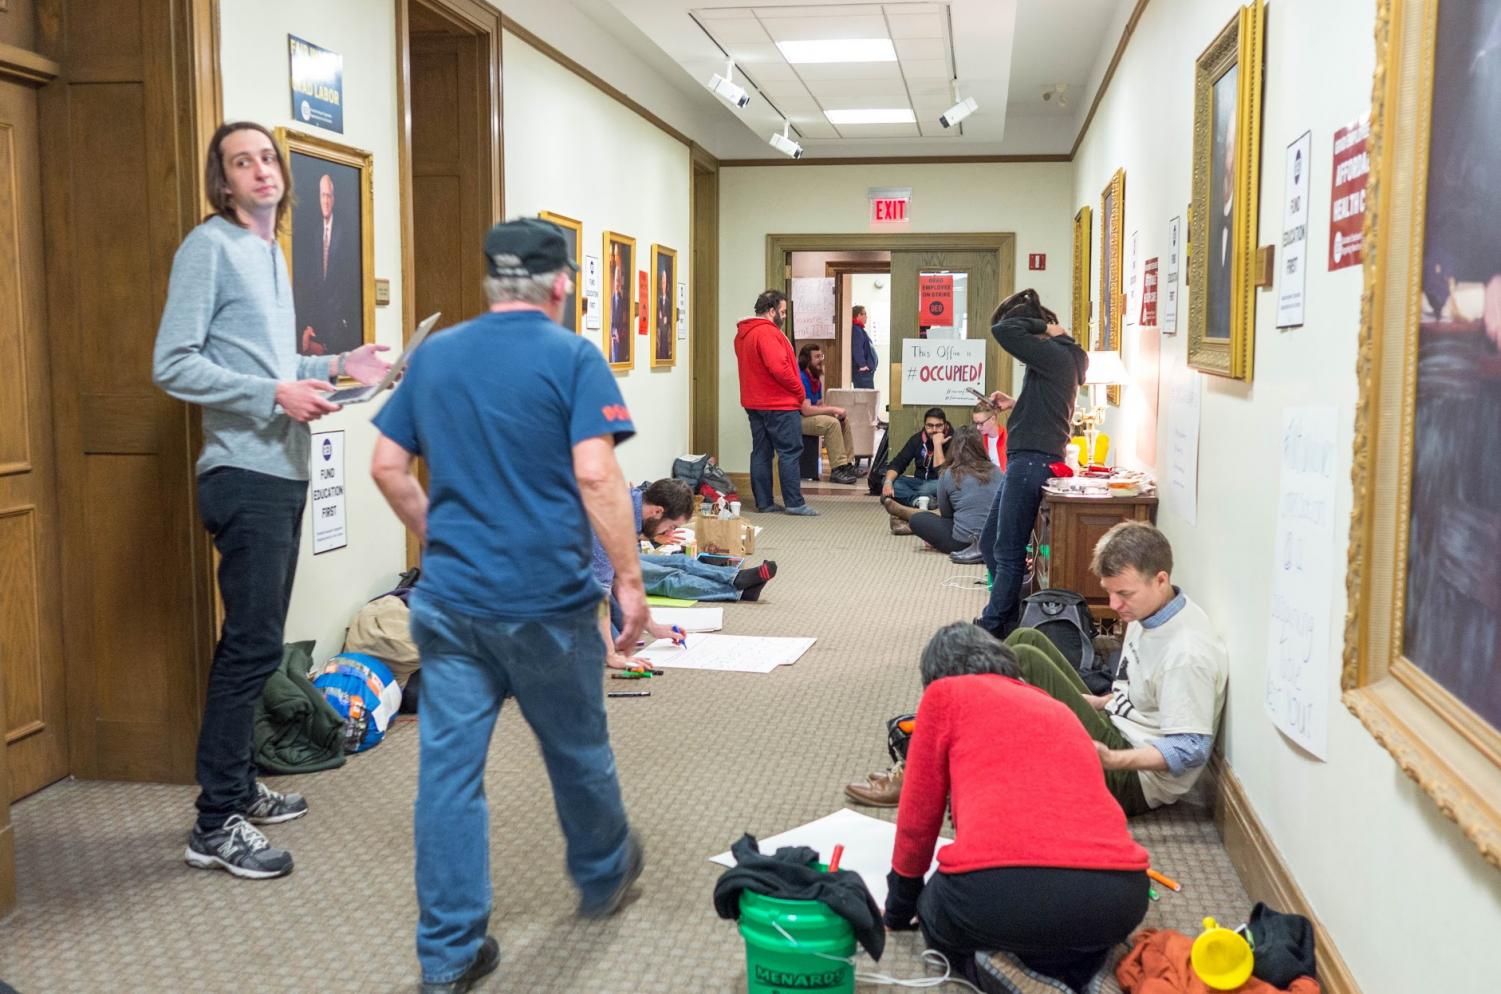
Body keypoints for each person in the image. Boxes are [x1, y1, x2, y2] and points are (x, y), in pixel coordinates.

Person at [370, 217, 648, 994]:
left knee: (448, 776)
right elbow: (595, 477)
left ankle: (449, 953)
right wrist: (628, 582)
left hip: (451, 604)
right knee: (575, 749)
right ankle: (601, 874)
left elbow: (388, 467)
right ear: (561, 286)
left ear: (492, 283)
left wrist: (439, 534)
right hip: (546, 605)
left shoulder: (436, 356)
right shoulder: (572, 357)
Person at [152, 121, 392, 880]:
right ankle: (214, 820)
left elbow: (274, 363)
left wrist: (337, 363)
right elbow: (174, 364)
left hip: (284, 471)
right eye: (240, 161)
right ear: (221, 183)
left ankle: (236, 786)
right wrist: (273, 392)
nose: (259, 170)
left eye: (266, 158)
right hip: (242, 472)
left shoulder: (268, 253)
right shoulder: (209, 247)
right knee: (249, 647)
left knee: (258, 639)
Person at [848, 523, 1228, 819]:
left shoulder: (1186, 653)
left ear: (1160, 579)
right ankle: (935, 745)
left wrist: (1109, 759)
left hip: (1130, 777)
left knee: (1023, 664)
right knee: (1028, 639)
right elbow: (1147, 694)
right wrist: (1095, 702)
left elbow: (1190, 749)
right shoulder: (1154, 611)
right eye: (1109, 592)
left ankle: (924, 766)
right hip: (1116, 728)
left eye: (1123, 595)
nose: (1113, 604)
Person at [882, 623, 1150, 993]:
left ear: (935, 676)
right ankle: (1089, 970)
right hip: (1122, 896)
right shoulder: (1056, 707)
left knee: (935, 909)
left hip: (1005, 895)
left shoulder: (943, 695)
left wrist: (899, 907)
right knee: (1063, 927)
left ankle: (1014, 976)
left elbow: (918, 819)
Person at [975, 289, 1088, 638]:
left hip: (1031, 462)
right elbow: (1049, 400)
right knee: (991, 542)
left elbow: (1003, 331)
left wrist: (1046, 326)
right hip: (1030, 459)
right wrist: (1016, 402)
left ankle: (993, 627)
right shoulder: (1061, 356)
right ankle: (1006, 613)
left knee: (1007, 550)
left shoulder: (1055, 351)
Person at [589, 478, 779, 670]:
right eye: (671, 526)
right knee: (608, 641)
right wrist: (611, 656)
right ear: (657, 511)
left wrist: (653, 626)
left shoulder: (633, 505)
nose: (669, 532)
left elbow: (623, 579)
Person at [735, 290, 817, 516]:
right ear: (771, 311)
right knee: (790, 451)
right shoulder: (767, 334)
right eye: (782, 312)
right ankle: (794, 503)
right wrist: (800, 391)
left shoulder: (744, 334)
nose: (784, 316)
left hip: (754, 403)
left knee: (761, 452)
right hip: (779, 404)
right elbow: (779, 368)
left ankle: (764, 502)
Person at [880, 426, 999, 563]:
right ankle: (906, 517)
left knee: (917, 520)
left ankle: (907, 517)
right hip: (993, 541)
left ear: (954, 448)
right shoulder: (996, 471)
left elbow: (946, 514)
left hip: (961, 542)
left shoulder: (949, 474)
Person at [293, 173, 358, 356]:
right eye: (323, 195)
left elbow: (347, 288)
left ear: (334, 199)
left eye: (329, 195)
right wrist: (310, 327)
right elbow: (312, 286)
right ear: (318, 198)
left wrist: (330, 341)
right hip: (318, 325)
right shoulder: (314, 233)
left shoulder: (345, 233)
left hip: (339, 327)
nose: (326, 201)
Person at [797, 343, 859, 484]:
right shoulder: (801, 378)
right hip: (798, 419)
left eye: (821, 356)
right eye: (817, 357)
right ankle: (837, 469)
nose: (821, 359)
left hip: (809, 417)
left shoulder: (815, 378)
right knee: (831, 423)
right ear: (807, 360)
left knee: (843, 420)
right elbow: (806, 410)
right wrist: (833, 410)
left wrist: (836, 412)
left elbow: (819, 405)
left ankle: (848, 465)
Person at [881, 408, 950, 514]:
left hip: (940, 483)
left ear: (945, 425)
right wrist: (888, 482)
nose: (934, 430)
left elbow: (943, 475)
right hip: (918, 481)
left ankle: (900, 497)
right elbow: (898, 463)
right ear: (925, 425)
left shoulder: (952, 439)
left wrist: (937, 445)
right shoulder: (917, 439)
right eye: (930, 426)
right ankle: (919, 501)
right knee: (889, 480)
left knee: (926, 489)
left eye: (938, 425)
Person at [969, 398, 1011, 469]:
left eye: (981, 423)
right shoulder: (977, 440)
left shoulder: (1009, 438)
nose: (978, 427)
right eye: (975, 423)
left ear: (993, 419)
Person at [850, 304, 878, 389]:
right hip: (862, 373)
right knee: (866, 399)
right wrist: (863, 365)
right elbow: (857, 349)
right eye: (864, 314)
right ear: (858, 315)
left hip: (865, 373)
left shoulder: (859, 329)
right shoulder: (856, 330)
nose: (867, 316)